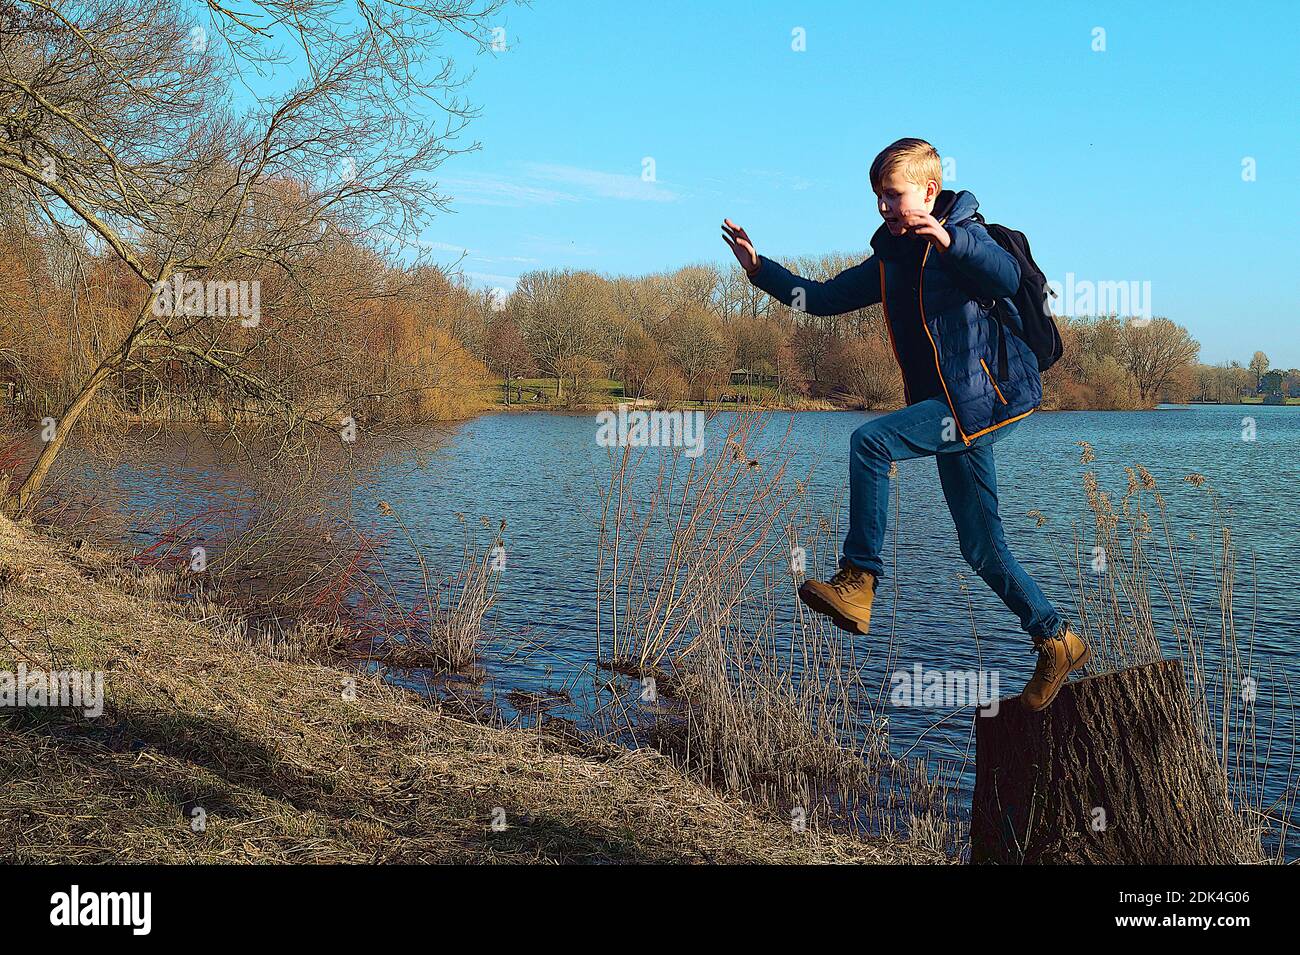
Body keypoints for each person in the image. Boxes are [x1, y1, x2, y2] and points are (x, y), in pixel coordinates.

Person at [720, 137, 1089, 711]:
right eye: (878, 196)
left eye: (893, 195)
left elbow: (1002, 278)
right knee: (981, 547)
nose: (884, 207)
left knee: (871, 441)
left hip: (986, 401)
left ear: (929, 191)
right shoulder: (892, 260)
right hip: (949, 410)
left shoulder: (970, 238)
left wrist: (947, 239)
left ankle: (858, 579)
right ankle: (1057, 639)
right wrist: (759, 269)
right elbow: (821, 298)